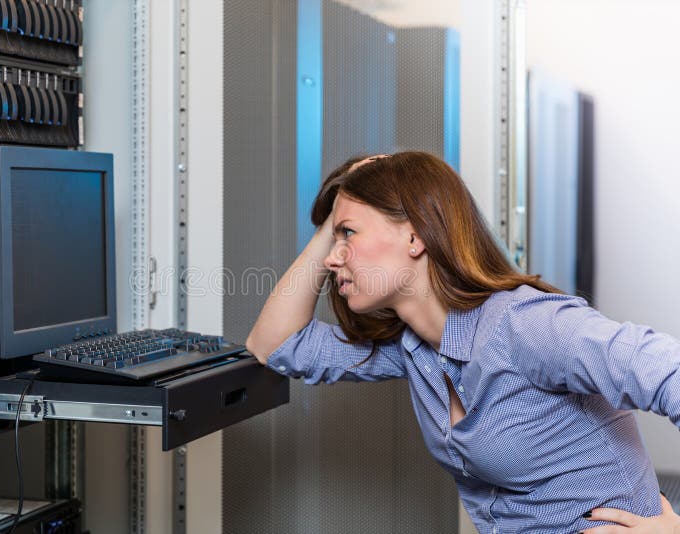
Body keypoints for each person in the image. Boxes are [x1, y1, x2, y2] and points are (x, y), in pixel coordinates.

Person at [245, 151, 680, 533]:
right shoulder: (414, 350)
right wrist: (334, 218)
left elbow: (671, 373)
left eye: (348, 233)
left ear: (415, 236)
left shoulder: (527, 327)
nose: (332, 256)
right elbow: (276, 344)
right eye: (333, 239)